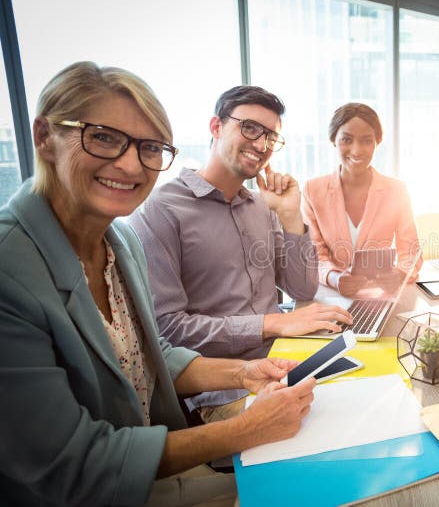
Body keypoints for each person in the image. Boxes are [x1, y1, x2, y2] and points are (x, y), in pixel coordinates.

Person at [0, 61, 316, 506]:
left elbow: (148, 353)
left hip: (178, 440)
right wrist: (265, 343)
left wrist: (289, 218)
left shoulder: (120, 239)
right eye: (104, 138)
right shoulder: (12, 267)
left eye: (150, 147)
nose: (130, 165)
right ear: (45, 138)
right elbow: (70, 464)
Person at [130, 86, 351, 423]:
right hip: (224, 388)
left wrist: (291, 216)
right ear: (216, 127)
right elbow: (168, 330)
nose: (262, 146)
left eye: (271, 137)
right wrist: (273, 322)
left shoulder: (261, 207)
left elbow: (302, 289)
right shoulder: (162, 210)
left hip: (286, 359)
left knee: (366, 397)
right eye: (249, 128)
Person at [301, 102, 422, 297]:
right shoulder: (312, 190)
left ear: (377, 142)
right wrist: (334, 278)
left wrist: (400, 274)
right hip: (331, 295)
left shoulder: (397, 191)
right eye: (347, 140)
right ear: (334, 140)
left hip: (381, 295)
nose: (357, 150)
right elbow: (315, 254)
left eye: (366, 141)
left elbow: (411, 252)